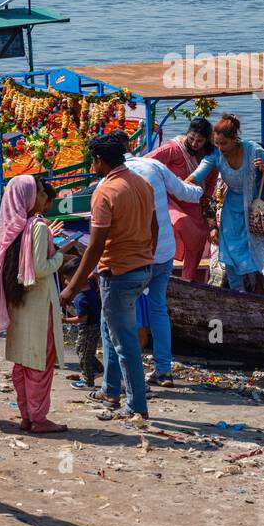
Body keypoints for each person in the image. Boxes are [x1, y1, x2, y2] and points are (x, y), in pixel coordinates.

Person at [58, 134, 156, 427]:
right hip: (141, 268)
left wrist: (72, 287)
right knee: (108, 328)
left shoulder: (106, 192)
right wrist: (145, 253)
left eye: (93, 160)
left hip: (119, 272)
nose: (93, 164)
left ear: (100, 160)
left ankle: (137, 406)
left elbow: (95, 246)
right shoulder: (142, 183)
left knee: (124, 341)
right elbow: (154, 226)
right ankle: (109, 390)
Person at [0, 175, 68, 433]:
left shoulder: (11, 228)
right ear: (29, 197)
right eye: (42, 194)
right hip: (38, 304)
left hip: (18, 303)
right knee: (40, 364)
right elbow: (41, 268)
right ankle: (39, 418)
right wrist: (61, 255)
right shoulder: (37, 227)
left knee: (23, 362)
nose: (45, 200)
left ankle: (27, 415)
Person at [122, 137, 203, 385]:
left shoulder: (112, 178)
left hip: (135, 256)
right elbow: (188, 193)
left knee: (126, 313)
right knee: (158, 309)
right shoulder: (153, 166)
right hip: (164, 252)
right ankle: (163, 369)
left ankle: (130, 375)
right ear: (129, 148)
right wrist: (203, 189)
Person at [189, 114, 264, 294]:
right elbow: (198, 174)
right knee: (231, 254)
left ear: (235, 139)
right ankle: (238, 293)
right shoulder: (216, 153)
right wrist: (180, 183)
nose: (220, 148)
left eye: (223, 143)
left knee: (259, 253)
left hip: (256, 210)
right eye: (216, 143)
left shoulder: (253, 150)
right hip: (231, 211)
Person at [145, 118, 217, 280]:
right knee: (182, 223)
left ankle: (187, 279)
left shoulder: (211, 155)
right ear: (187, 134)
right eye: (191, 138)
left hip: (195, 201)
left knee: (198, 238)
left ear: (207, 140)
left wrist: (206, 206)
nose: (194, 143)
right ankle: (161, 272)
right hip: (170, 199)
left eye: (200, 140)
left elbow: (211, 181)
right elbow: (146, 163)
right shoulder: (174, 149)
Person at [61, 249, 101, 388]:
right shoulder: (90, 285)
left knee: (84, 355)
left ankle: (88, 380)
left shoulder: (81, 298)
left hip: (88, 328)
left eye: (68, 279)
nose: (66, 283)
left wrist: (65, 320)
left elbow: (82, 318)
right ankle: (98, 369)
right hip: (94, 326)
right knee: (83, 351)